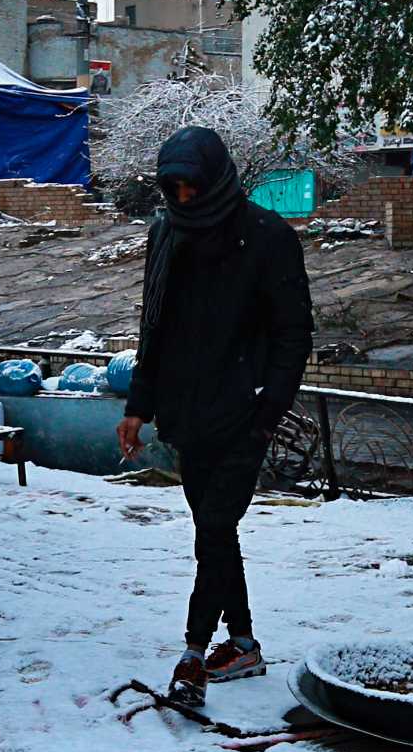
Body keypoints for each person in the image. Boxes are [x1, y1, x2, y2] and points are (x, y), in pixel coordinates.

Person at [118, 126, 314, 707]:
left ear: (217, 180)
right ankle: (245, 642)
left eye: (192, 187)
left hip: (244, 412)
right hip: (186, 412)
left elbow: (293, 332)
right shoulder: (166, 235)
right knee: (215, 530)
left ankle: (193, 654)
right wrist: (138, 405)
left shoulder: (267, 237)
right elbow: (154, 327)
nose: (184, 200)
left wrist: (268, 408)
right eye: (173, 189)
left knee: (214, 528)